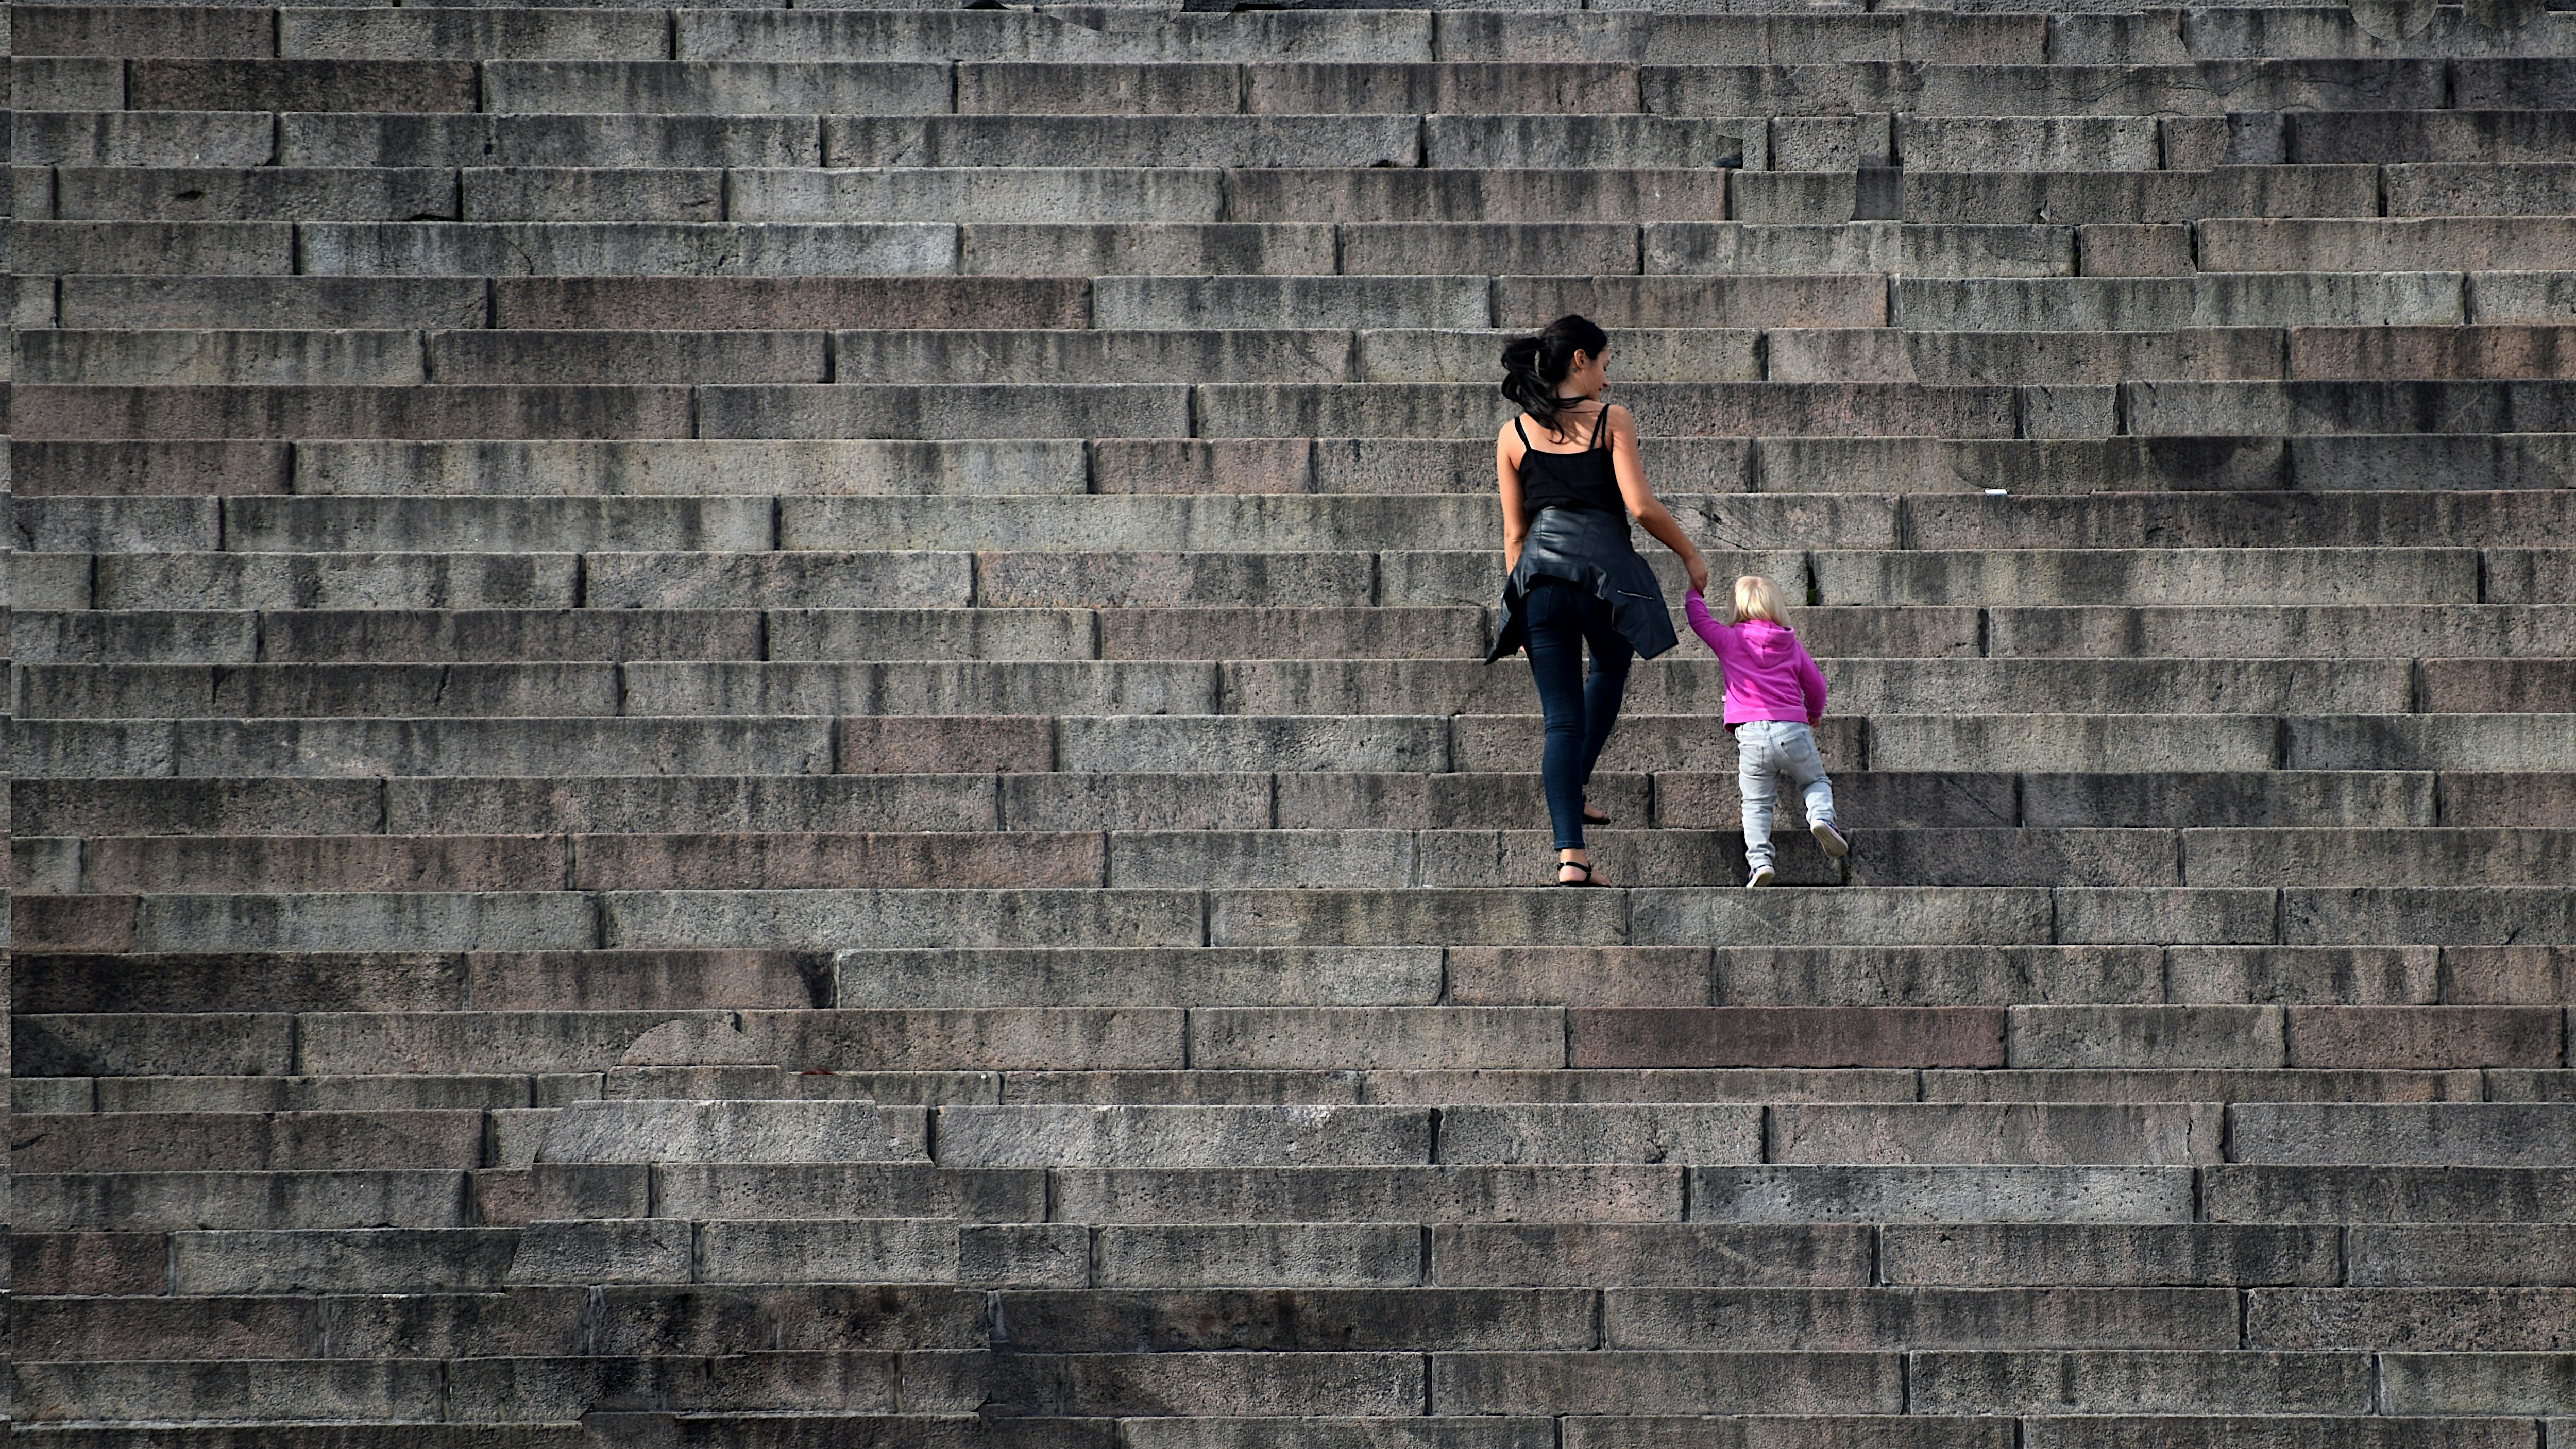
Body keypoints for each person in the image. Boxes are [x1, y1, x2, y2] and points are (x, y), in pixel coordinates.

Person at [1487, 315, 1710, 887]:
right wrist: (1689, 555)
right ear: (1581, 360)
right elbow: (1639, 507)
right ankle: (1577, 782)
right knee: (1610, 665)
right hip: (1602, 580)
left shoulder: (1511, 434)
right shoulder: (1612, 420)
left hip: (1537, 583)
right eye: (1605, 366)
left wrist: (1519, 602)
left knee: (1559, 723)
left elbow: (1514, 534)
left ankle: (1571, 857)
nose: (1607, 382)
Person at [1683, 574, 1848, 888]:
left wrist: (1695, 589)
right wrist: (1813, 713)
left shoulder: (1728, 638)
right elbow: (1816, 685)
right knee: (1814, 780)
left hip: (1751, 736)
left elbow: (1698, 620)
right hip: (1793, 730)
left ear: (1737, 606)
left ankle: (1759, 862)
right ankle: (1821, 818)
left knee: (1756, 803)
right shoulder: (1790, 643)